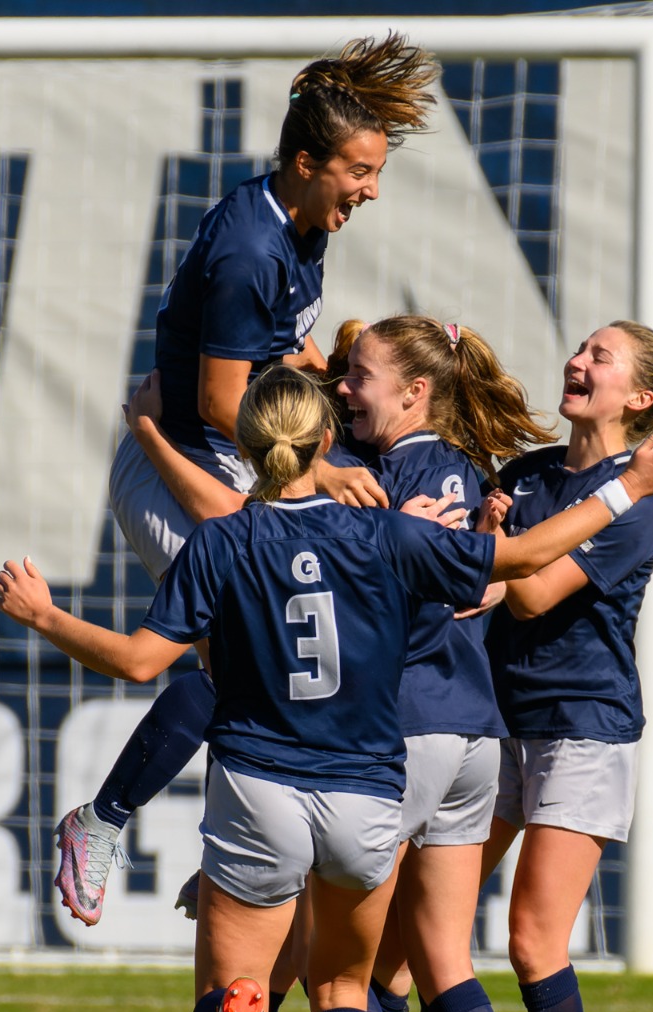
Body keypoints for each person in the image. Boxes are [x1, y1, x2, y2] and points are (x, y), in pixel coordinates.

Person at [0, 366, 653, 1012]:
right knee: (345, 994)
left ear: (248, 446)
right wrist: (631, 486)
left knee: (237, 985)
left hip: (260, 784)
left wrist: (43, 615)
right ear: (331, 443)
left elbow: (142, 661)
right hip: (366, 791)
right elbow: (520, 561)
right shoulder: (385, 535)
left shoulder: (224, 540)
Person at [53, 34, 439, 932]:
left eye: (376, 171)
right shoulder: (248, 251)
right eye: (358, 170)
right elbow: (227, 400)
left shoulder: (300, 227)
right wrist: (329, 463)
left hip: (245, 463)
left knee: (280, 666)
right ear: (305, 162)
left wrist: (324, 366)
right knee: (242, 666)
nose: (370, 189)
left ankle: (242, 853)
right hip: (184, 469)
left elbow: (272, 350)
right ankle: (100, 822)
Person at [329, 315, 556, 1012]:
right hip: (472, 736)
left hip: (403, 731)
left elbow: (405, 613)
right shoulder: (451, 473)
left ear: (415, 391)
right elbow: (476, 589)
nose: (346, 389)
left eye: (360, 376)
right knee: (441, 960)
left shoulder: (390, 482)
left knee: (337, 968)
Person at [478, 321, 653, 1012]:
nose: (579, 362)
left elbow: (529, 593)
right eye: (580, 349)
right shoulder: (529, 476)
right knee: (417, 937)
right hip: (492, 721)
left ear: (640, 398)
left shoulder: (634, 499)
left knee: (533, 939)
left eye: (600, 358)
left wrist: (491, 551)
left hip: (582, 726)